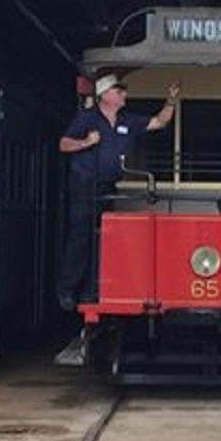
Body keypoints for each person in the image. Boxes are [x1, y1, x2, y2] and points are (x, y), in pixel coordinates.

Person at [57, 73, 177, 310]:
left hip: (107, 185)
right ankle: (67, 290)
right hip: (83, 184)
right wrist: (86, 142)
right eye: (118, 91)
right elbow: (63, 144)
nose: (124, 94)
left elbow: (159, 122)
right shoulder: (87, 118)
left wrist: (171, 101)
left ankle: (93, 291)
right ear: (104, 95)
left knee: (103, 237)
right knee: (81, 236)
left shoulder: (127, 120)